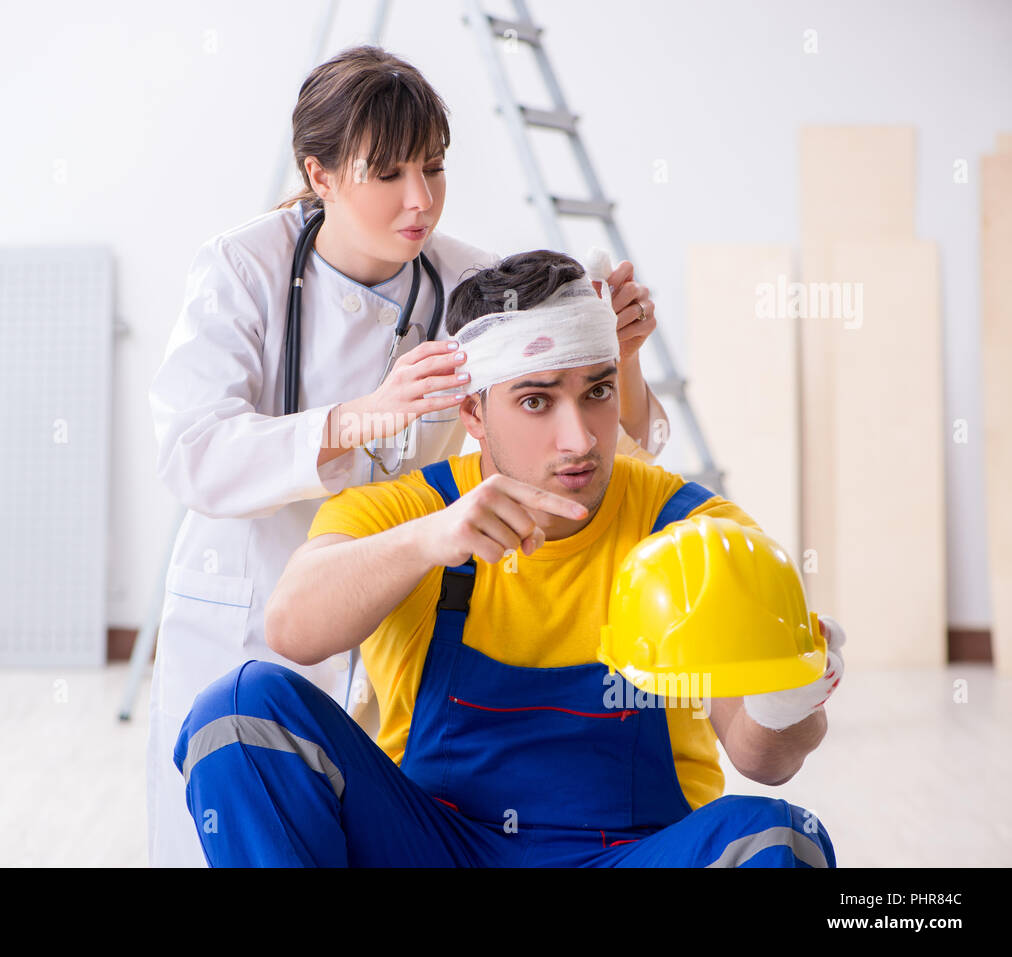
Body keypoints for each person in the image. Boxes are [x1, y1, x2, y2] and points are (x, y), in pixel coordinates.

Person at [146, 46, 671, 867]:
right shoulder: (240, 270)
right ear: (318, 175)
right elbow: (191, 451)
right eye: (387, 173)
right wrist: (357, 418)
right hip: (247, 604)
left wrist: (620, 350)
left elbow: (618, 442)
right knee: (234, 820)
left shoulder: (464, 279)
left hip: (390, 607)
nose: (418, 199)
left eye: (432, 167)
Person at [172, 250, 847, 867]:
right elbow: (292, 627)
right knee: (237, 709)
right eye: (536, 399)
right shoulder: (410, 512)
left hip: (631, 855)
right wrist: (434, 540)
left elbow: (766, 760)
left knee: (780, 840)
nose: (579, 437)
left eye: (598, 391)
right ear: (472, 410)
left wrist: (790, 691)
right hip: (436, 849)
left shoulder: (688, 531)